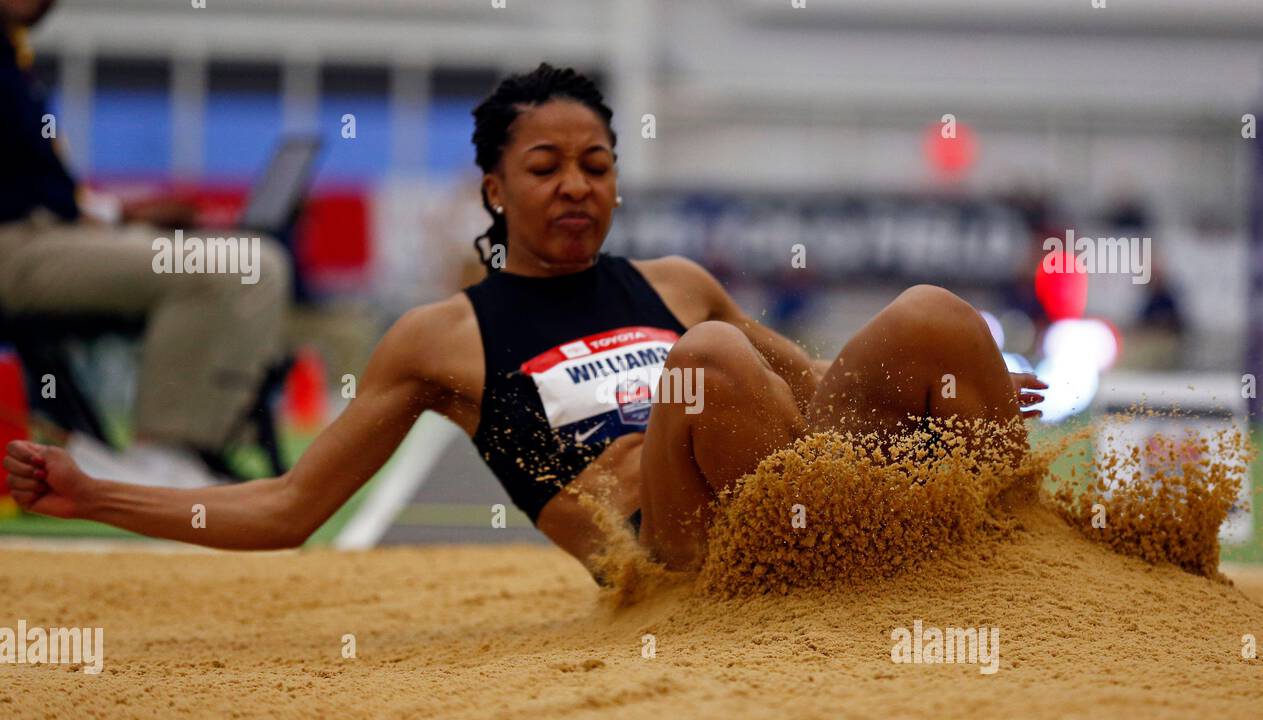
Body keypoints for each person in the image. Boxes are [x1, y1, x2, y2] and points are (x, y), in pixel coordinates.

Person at [3, 63, 1046, 577]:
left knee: (931, 315)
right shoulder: (438, 340)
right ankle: (845, 553)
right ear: (495, 190)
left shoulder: (677, 280)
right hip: (682, 562)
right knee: (716, 357)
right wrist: (98, 490)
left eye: (596, 165)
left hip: (798, 493)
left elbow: (814, 397)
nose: (576, 187)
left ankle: (1025, 566)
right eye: (544, 169)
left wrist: (937, 391)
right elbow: (286, 504)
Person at [0, 0, 291, 487]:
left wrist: (121, 214)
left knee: (246, 257)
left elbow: (36, 183)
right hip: (16, 246)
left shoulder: (15, 55)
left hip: (48, 234)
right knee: (240, 264)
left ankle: (193, 448)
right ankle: (164, 456)